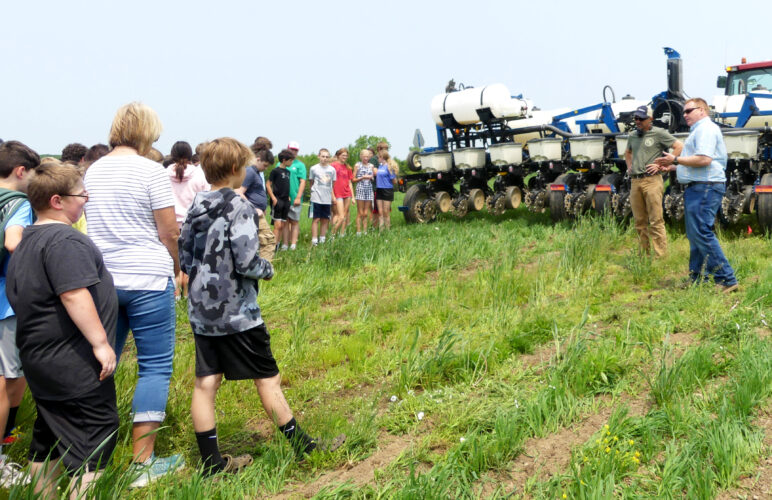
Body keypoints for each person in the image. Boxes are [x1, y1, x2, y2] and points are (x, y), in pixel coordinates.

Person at [179, 138, 344, 476]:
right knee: (269, 378)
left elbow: (184, 256)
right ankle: (304, 447)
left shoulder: (196, 204)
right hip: (237, 313)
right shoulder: (238, 206)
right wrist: (267, 268)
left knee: (206, 383)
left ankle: (211, 464)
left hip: (201, 311)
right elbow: (246, 262)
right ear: (235, 169)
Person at [84, 102, 184, 487]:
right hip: (148, 277)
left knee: (100, 362)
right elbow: (169, 231)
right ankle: (142, 463)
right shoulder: (150, 171)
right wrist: (176, 267)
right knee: (154, 366)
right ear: (147, 132)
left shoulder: (94, 170)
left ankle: (91, 453)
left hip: (103, 278)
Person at [6, 162, 118, 499]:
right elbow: (73, 293)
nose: (85, 201)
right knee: (95, 437)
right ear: (57, 200)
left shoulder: (28, 239)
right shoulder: (64, 240)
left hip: (40, 359)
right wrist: (100, 343)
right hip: (73, 362)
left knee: (49, 435)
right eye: (81, 195)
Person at [654, 97, 739, 293]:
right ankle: (697, 278)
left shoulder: (705, 129)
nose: (684, 115)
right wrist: (673, 167)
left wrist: (675, 159)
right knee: (695, 234)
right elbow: (697, 162)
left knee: (701, 232)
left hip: (705, 187)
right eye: (684, 112)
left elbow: (704, 160)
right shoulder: (698, 130)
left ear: (702, 110)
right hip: (701, 185)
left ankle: (727, 278)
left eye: (688, 111)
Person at [0, 140, 38, 487]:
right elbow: (13, 241)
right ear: (20, 171)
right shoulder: (18, 202)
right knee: (5, 379)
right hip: (6, 302)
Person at [625, 106, 683, 257]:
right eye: (636, 118)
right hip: (635, 181)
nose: (638, 121)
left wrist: (664, 163)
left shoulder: (659, 133)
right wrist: (629, 166)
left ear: (650, 119)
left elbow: (679, 146)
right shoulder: (632, 136)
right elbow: (628, 152)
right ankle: (643, 255)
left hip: (652, 180)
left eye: (641, 118)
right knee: (639, 221)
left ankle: (660, 256)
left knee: (656, 220)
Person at [168, 140, 210, 298]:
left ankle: (176, 295)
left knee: (174, 261)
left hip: (170, 223)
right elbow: (207, 196)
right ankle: (188, 295)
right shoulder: (199, 173)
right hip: (193, 223)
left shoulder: (165, 173)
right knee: (190, 260)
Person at [235, 148, 275, 262]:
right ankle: (265, 268)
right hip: (253, 213)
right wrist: (254, 209)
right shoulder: (250, 172)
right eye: (265, 165)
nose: (265, 168)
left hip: (258, 213)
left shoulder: (256, 173)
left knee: (253, 242)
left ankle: (255, 266)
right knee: (268, 240)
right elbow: (238, 192)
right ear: (258, 159)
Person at [266, 149, 293, 251]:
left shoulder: (288, 172)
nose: (291, 162)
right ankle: (272, 247)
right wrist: (273, 198)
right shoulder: (275, 171)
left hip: (286, 201)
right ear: (284, 160)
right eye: (290, 160)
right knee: (277, 226)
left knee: (282, 225)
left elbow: (286, 185)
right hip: (277, 201)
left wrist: (288, 197)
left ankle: (277, 245)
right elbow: (268, 185)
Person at [308, 149, 336, 245]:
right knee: (316, 219)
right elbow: (311, 182)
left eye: (327, 157)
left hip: (327, 198)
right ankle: (314, 240)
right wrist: (313, 191)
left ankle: (322, 239)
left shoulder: (332, 170)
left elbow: (333, 183)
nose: (325, 158)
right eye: (323, 156)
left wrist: (331, 195)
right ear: (319, 156)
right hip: (316, 198)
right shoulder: (313, 168)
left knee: (325, 219)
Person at [284, 141, 306, 250]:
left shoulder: (300, 165)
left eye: (295, 150)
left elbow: (302, 181)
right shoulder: (281, 163)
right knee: (285, 222)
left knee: (294, 221)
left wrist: (298, 197)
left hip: (295, 197)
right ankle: (285, 244)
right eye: (291, 149)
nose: (293, 152)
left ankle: (293, 244)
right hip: (283, 198)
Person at [330, 148, 354, 237]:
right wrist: (332, 195)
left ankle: (342, 233)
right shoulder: (332, 166)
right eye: (343, 155)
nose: (345, 157)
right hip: (337, 193)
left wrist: (353, 196)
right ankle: (333, 233)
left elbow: (350, 182)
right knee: (339, 215)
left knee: (345, 214)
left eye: (346, 155)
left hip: (347, 193)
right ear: (338, 156)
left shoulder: (348, 167)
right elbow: (330, 182)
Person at [374, 150, 398, 230]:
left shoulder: (389, 167)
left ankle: (387, 229)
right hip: (379, 190)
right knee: (380, 212)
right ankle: (381, 230)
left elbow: (394, 181)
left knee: (386, 211)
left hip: (387, 190)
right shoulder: (380, 166)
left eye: (378, 157)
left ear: (382, 157)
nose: (377, 159)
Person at [353, 149, 374, 235]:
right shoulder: (357, 165)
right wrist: (362, 177)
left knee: (365, 213)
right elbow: (353, 179)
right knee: (360, 213)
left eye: (367, 157)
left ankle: (365, 231)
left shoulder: (371, 166)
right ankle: (358, 231)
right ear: (361, 156)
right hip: (360, 189)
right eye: (364, 156)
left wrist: (371, 178)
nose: (366, 158)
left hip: (368, 189)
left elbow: (373, 177)